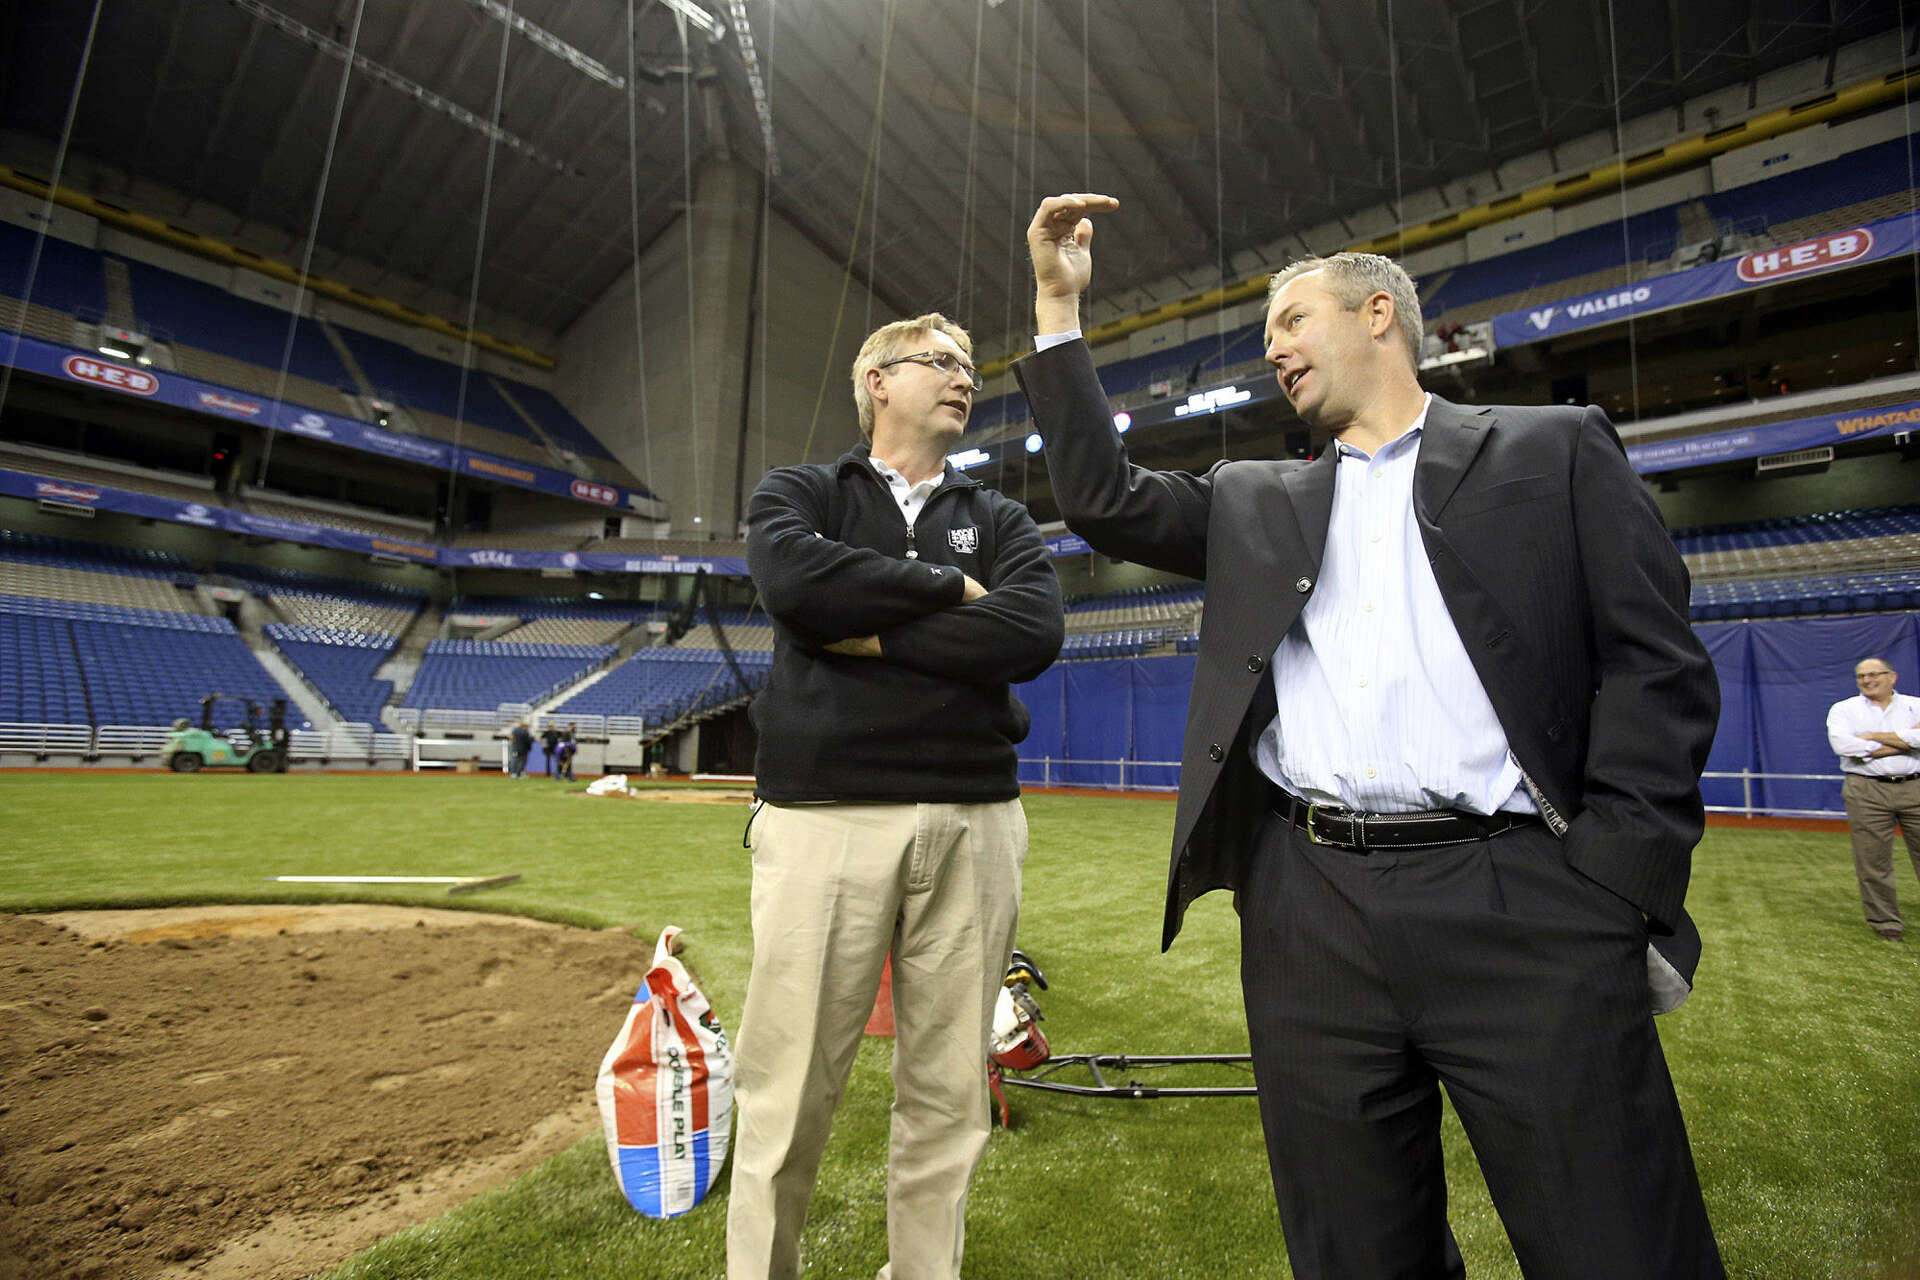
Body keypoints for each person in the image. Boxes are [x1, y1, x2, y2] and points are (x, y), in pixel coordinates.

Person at [1016, 193, 1723, 1278]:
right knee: (1355, 1249)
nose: (1273, 349)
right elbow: (1104, 495)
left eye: (1293, 320)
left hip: (1521, 896)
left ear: (1380, 312)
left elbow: (1657, 664)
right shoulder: (1258, 498)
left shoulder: (1552, 448)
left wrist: (1613, 884)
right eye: (1266, 338)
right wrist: (1058, 309)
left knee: (1615, 1236)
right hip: (1312, 913)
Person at [728, 312, 1064, 1280]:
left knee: (948, 1091)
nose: (964, 378)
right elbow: (796, 584)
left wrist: (873, 632)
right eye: (941, 362)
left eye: (968, 366)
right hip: (824, 817)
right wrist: (954, 593)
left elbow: (1031, 633)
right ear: (877, 379)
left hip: (974, 818)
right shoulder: (801, 492)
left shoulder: (997, 516)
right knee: (787, 1087)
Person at [1825, 657, 1920, 941]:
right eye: (1861, 676)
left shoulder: (1915, 704)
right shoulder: (1844, 709)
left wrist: (1872, 739)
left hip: (1915, 786)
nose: (1867, 680)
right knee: (1872, 861)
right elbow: (1844, 745)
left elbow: (1861, 746)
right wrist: (1906, 742)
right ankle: (1886, 923)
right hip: (1866, 790)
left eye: (1874, 674)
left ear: (1892, 676)